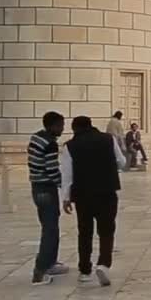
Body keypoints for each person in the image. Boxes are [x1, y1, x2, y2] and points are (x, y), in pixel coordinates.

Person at [60, 115, 126, 287]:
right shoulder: (108, 139)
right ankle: (104, 264)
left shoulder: (70, 146)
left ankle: (84, 270)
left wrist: (66, 198)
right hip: (107, 192)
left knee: (85, 232)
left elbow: (67, 175)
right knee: (106, 230)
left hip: (83, 195)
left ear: (75, 129)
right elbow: (122, 161)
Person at [28, 111, 68, 286]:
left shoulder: (36, 138)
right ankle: (40, 270)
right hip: (46, 188)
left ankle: (51, 263)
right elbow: (52, 170)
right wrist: (65, 188)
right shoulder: (50, 144)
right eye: (60, 125)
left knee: (49, 225)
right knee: (50, 230)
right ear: (52, 126)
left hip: (36, 186)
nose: (62, 129)